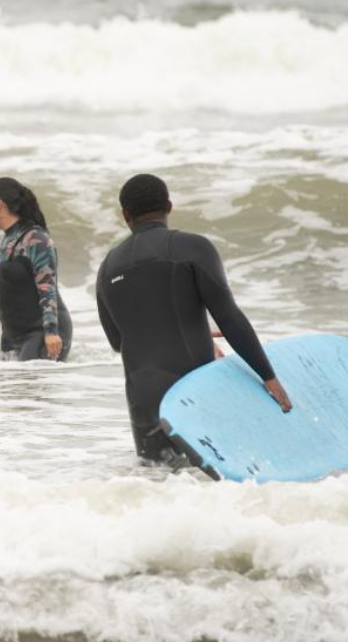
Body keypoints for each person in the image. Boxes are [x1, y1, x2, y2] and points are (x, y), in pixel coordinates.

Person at [95, 174, 292, 461]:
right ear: (169, 206)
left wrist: (181, 331)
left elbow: (118, 340)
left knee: (161, 487)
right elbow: (229, 317)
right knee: (211, 486)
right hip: (193, 391)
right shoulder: (193, 247)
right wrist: (268, 376)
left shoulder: (107, 266)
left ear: (126, 214)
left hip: (143, 401)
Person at [0, 177, 72, 361]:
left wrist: (51, 332)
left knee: (31, 386)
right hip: (12, 338)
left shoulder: (36, 239)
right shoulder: (3, 243)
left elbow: (47, 287)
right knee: (10, 389)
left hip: (42, 332)